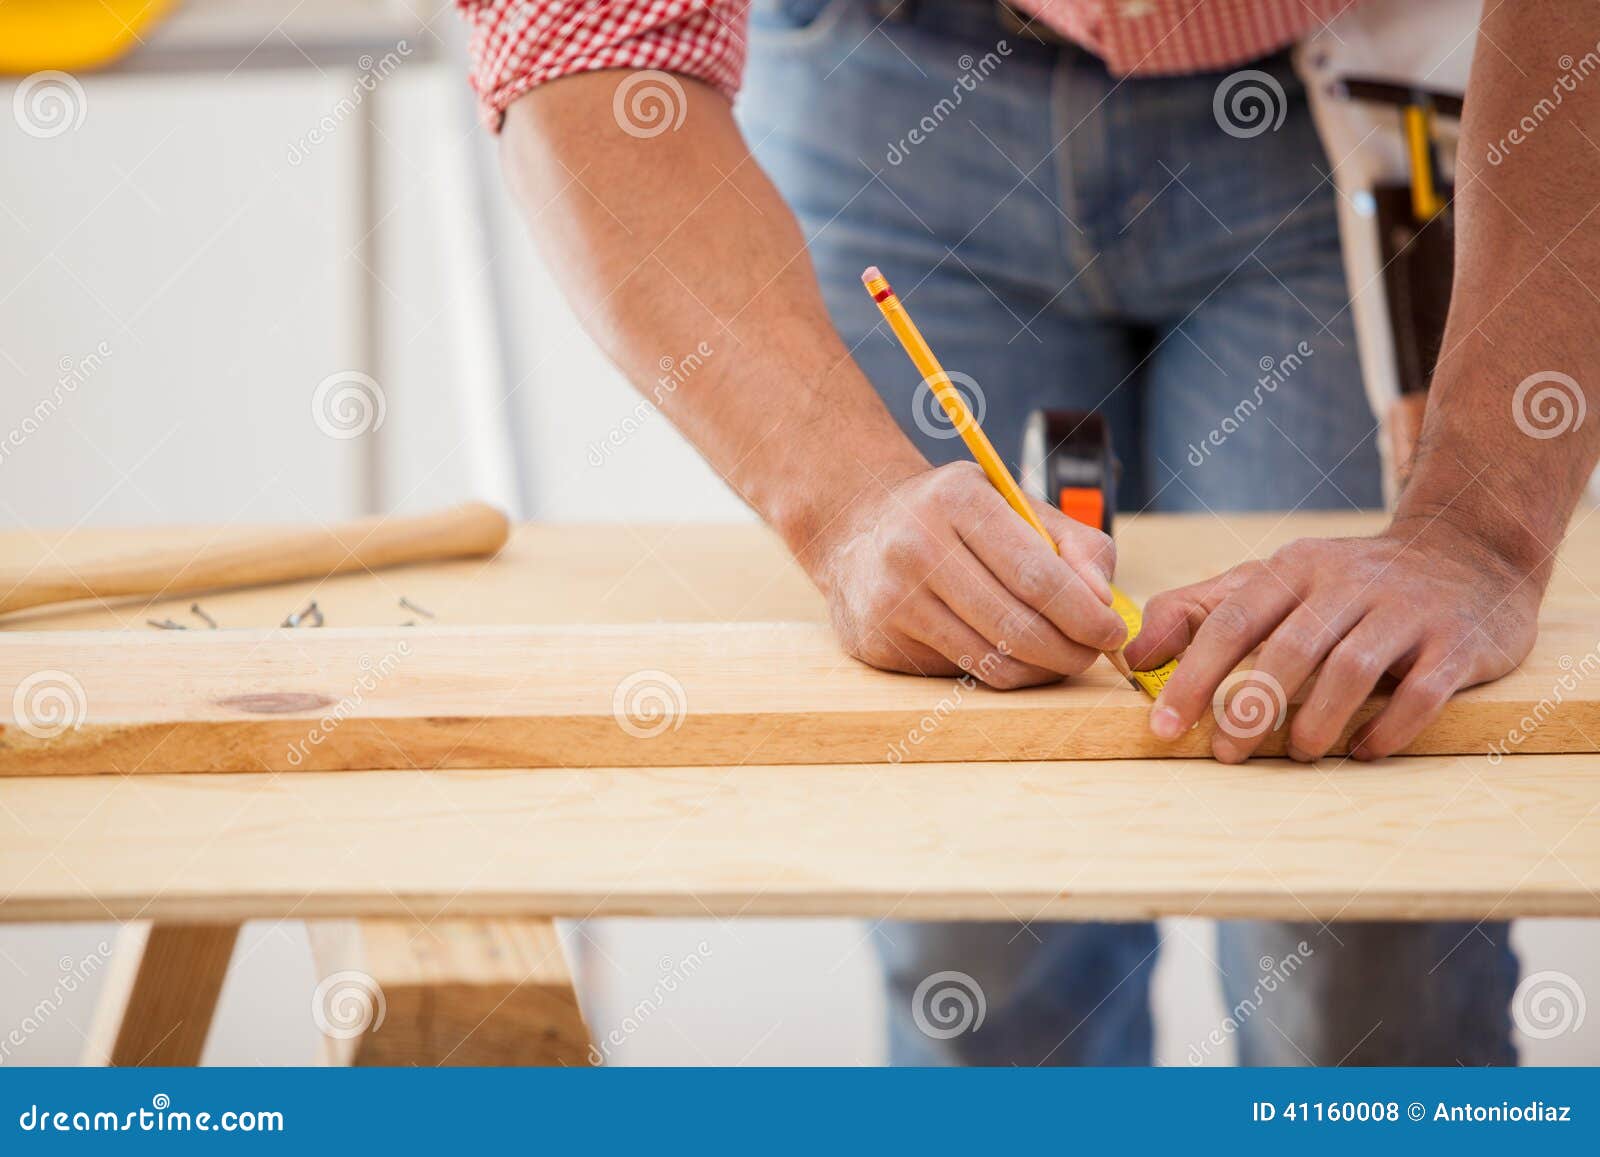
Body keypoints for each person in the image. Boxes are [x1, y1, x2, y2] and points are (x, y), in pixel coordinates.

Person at [456, 0, 1598, 1064]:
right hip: (889, 80)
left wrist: (1477, 530)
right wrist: (848, 506)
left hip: (1339, 80)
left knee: (1359, 902)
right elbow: (579, 41)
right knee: (985, 927)